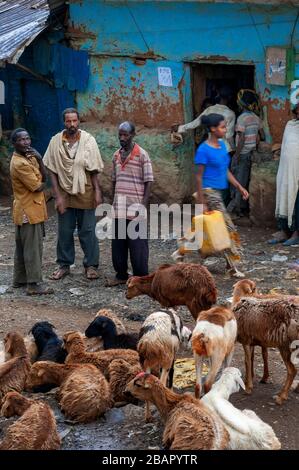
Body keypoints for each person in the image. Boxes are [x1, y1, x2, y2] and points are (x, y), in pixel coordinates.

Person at [43, 108, 104, 280]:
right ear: (64, 122)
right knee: (64, 231)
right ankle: (64, 265)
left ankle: (91, 265)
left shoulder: (88, 141)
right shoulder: (55, 142)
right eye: (68, 121)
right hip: (64, 192)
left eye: (74, 121)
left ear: (79, 121)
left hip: (85, 191)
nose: (72, 124)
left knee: (88, 231)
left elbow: (94, 169)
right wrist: (58, 196)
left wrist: (98, 192)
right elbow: (52, 170)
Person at [194, 114, 249, 278]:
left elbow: (225, 170)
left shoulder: (222, 147)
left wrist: (239, 187)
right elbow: (198, 176)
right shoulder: (203, 149)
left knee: (212, 230)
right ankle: (232, 266)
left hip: (218, 193)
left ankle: (183, 251)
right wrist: (202, 202)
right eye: (222, 127)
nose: (225, 129)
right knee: (228, 228)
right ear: (212, 129)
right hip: (209, 193)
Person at [105, 122, 154, 287]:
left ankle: (141, 278)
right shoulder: (115, 156)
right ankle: (121, 275)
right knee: (118, 245)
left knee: (138, 247)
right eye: (120, 135)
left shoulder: (142, 155)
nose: (122, 138)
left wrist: (143, 206)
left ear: (133, 134)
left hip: (136, 208)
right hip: (119, 208)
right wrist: (112, 202)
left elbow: (149, 182)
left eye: (125, 135)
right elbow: (113, 181)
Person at [10, 128, 53, 295]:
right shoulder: (20, 163)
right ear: (14, 143)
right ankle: (34, 284)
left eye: (27, 138)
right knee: (33, 248)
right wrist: (41, 161)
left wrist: (38, 161)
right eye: (21, 140)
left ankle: (19, 280)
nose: (26, 142)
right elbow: (38, 185)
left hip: (25, 208)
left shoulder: (26, 158)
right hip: (29, 210)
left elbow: (41, 178)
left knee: (22, 247)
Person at [227, 89, 264, 217]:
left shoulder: (242, 118)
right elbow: (261, 136)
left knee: (237, 182)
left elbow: (241, 138)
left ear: (241, 104)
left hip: (242, 154)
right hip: (250, 153)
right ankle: (240, 208)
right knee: (243, 181)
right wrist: (254, 144)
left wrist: (236, 155)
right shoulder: (256, 118)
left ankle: (234, 210)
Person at [268, 104, 299, 248]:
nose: (298, 115)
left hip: (297, 173)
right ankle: (283, 231)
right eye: (297, 112)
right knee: (284, 198)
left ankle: (295, 233)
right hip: (285, 171)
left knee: (296, 202)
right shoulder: (290, 125)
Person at [173, 85, 236, 152]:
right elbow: (229, 136)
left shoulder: (209, 109)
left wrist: (180, 128)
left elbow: (195, 123)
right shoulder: (230, 114)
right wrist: (234, 149)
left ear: (218, 95)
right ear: (230, 97)